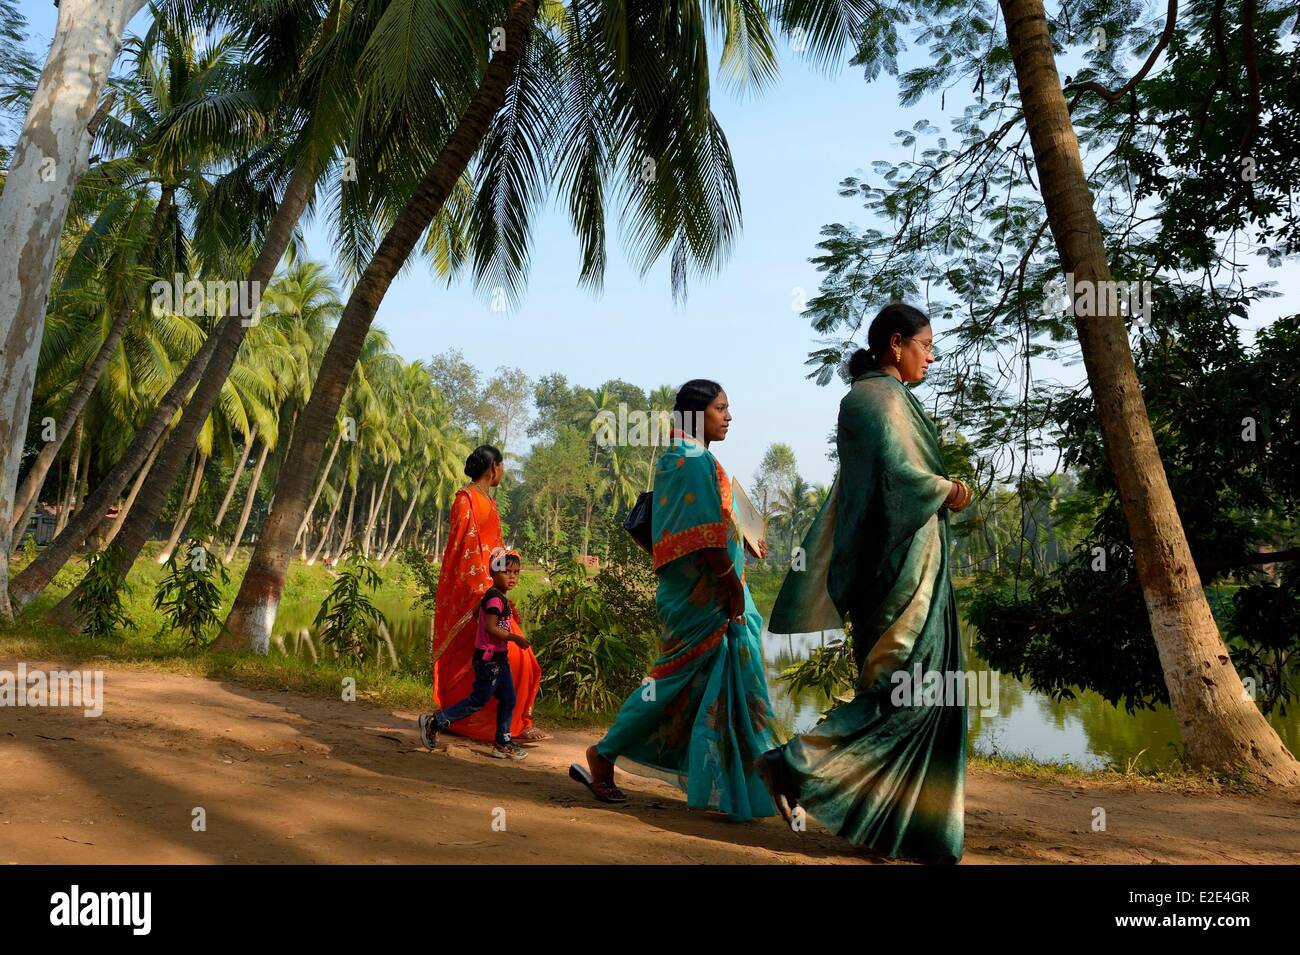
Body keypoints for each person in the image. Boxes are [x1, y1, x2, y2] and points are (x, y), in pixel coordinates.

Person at [758, 303, 974, 864]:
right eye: (927, 345)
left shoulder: (890, 399)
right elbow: (892, 480)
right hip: (897, 574)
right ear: (896, 343)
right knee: (905, 694)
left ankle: (883, 827)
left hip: (911, 564)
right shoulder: (874, 399)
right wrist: (947, 489)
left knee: (915, 693)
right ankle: (793, 762)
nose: (932, 357)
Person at [569, 380, 777, 821]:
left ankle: (732, 783)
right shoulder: (691, 461)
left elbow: (711, 524)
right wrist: (731, 585)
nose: (729, 416)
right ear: (697, 414)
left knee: (702, 684)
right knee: (668, 682)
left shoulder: (689, 457)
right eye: (721, 408)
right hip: (704, 599)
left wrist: (744, 539)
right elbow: (704, 538)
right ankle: (604, 753)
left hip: (709, 597)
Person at [426, 445, 550, 745]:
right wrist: (482, 591)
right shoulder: (465, 500)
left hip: (491, 590)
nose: (502, 472)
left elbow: (495, 552)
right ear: (493, 467)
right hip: (474, 594)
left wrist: (504, 577)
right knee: (504, 658)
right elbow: (462, 552)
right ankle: (482, 725)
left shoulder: (490, 503)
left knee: (520, 660)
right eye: (502, 466)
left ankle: (511, 723)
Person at [421, 550, 530, 759]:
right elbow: (490, 627)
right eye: (506, 572)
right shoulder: (495, 599)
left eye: (516, 572)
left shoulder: (493, 595)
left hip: (498, 659)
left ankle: (502, 741)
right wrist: (513, 638)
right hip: (490, 661)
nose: (512, 577)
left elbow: (475, 614)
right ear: (493, 573)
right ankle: (436, 721)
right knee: (477, 701)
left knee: (508, 699)